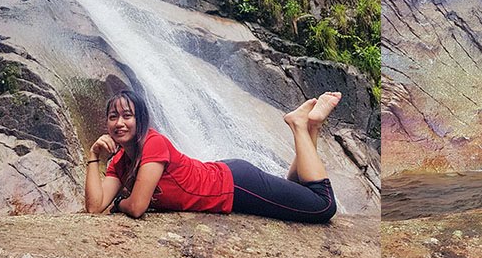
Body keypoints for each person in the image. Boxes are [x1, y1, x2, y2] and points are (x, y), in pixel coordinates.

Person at [84, 87, 340, 223]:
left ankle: (298, 125)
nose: (119, 123)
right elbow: (95, 207)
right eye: (113, 117)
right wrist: (94, 156)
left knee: (322, 205)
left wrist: (119, 204)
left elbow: (137, 207)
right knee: (296, 191)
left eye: (127, 116)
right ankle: (310, 127)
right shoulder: (119, 161)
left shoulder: (153, 143)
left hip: (235, 185)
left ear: (140, 119)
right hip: (224, 177)